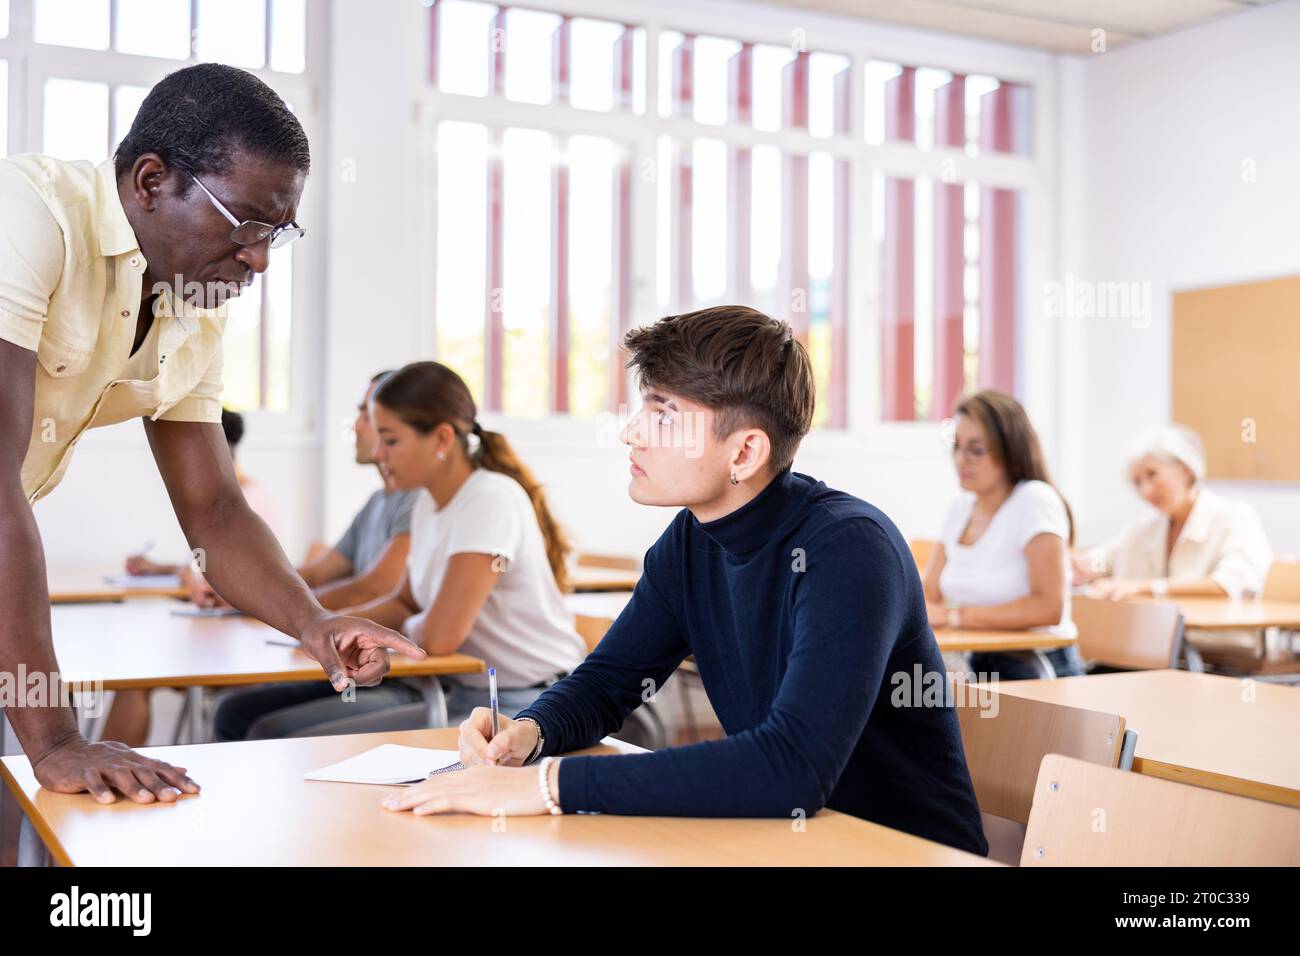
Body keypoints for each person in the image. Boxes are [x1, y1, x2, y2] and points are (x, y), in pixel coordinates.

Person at [382, 306, 988, 857]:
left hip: (900, 852)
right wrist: (528, 734)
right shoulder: (692, 539)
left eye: (663, 416)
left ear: (745, 453)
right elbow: (608, 684)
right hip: (785, 842)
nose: (631, 433)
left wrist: (548, 786)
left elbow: (793, 768)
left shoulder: (851, 549)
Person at [0, 63, 422, 804]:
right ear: (153, 181)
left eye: (277, 232)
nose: (259, 258)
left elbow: (216, 512)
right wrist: (57, 740)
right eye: (245, 226)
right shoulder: (27, 217)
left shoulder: (194, 301)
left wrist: (313, 623)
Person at [213, 361, 586, 740]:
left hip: (530, 704)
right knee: (263, 726)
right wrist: (330, 628)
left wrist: (380, 634)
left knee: (288, 738)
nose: (378, 452)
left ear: (441, 439)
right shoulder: (427, 505)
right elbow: (405, 601)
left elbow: (442, 634)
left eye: (390, 440)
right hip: (467, 697)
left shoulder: (488, 498)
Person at [922, 390, 1082, 680]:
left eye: (976, 449)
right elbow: (927, 595)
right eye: (956, 446)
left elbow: (1048, 607)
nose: (961, 459)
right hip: (978, 662)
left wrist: (953, 616)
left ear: (1010, 450)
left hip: (1038, 667)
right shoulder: (961, 506)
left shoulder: (1035, 500)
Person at [1074, 424, 1272, 601]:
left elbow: (1230, 584)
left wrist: (1146, 588)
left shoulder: (1234, 518)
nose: (1146, 491)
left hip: (1218, 640)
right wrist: (1076, 564)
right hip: (1161, 640)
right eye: (1137, 482)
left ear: (1185, 469)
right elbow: (1098, 561)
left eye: (1152, 474)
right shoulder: (1143, 530)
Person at [295, 371, 419, 611]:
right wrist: (250, 594)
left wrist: (290, 607)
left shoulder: (418, 498)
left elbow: (378, 588)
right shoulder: (376, 502)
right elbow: (318, 574)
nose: (356, 427)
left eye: (367, 415)